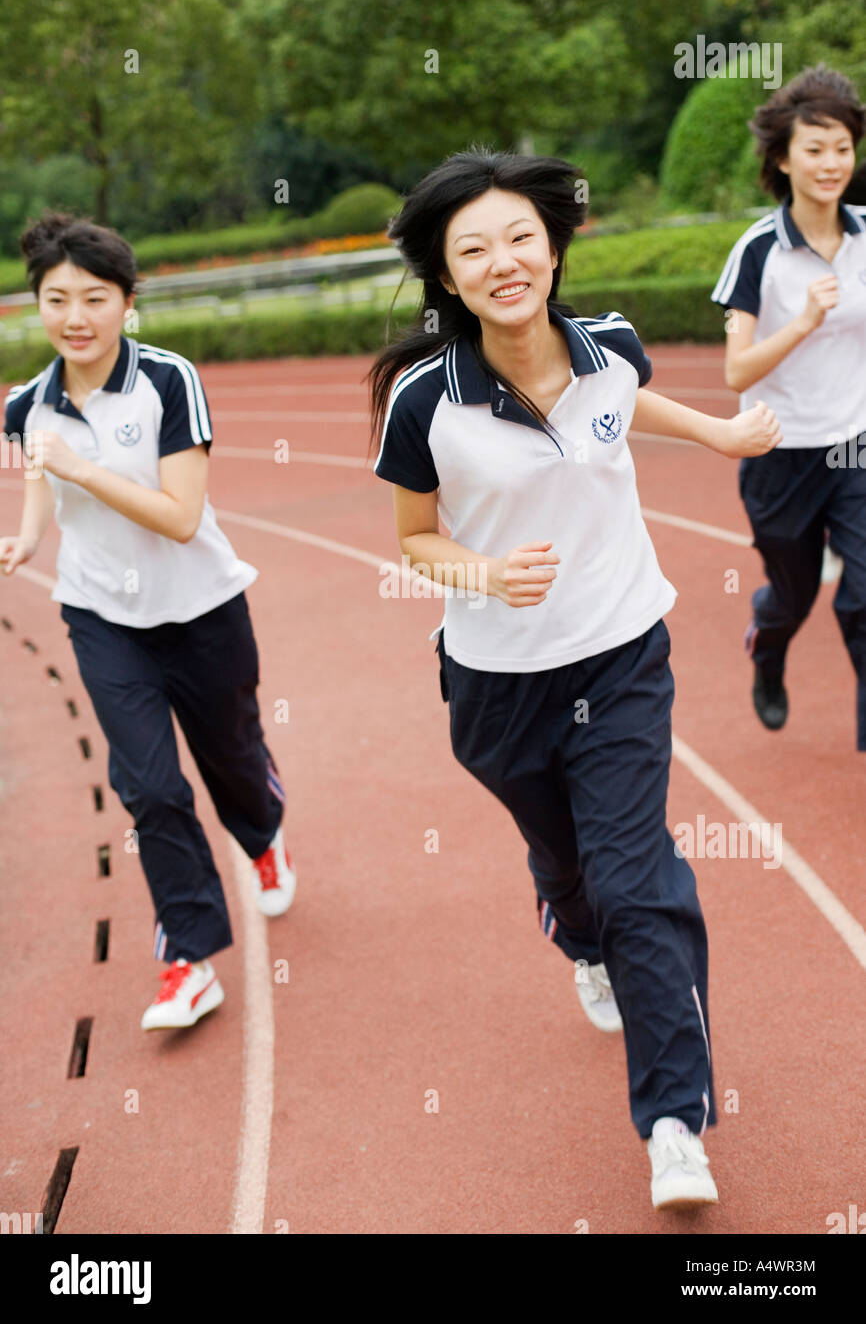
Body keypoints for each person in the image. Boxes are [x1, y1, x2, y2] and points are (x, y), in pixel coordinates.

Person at [369, 149, 780, 1209]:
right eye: (473, 250)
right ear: (446, 279)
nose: (503, 261)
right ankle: (571, 928)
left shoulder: (607, 348)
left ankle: (673, 1121)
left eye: (519, 237)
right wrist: (486, 574)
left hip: (620, 652)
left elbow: (624, 405)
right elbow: (414, 539)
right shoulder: (425, 401)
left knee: (635, 877)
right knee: (568, 870)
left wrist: (720, 430)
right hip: (497, 681)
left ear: (552, 245)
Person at [1, 213, 296, 1031]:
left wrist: (82, 469)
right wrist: (25, 541)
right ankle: (186, 961)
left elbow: (177, 516)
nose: (75, 317)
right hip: (102, 617)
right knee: (150, 787)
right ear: (38, 305)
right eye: (56, 299)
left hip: (201, 608)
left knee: (232, 757)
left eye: (95, 298)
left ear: (129, 303)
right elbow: (39, 476)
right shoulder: (29, 401)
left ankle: (264, 834)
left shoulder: (169, 381)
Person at [711, 65, 866, 744]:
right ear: (782, 157)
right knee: (795, 596)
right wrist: (802, 322)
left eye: (842, 148)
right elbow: (734, 369)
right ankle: (768, 650)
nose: (831, 163)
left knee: (865, 598)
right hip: (778, 452)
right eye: (815, 149)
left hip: (856, 446)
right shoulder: (759, 251)